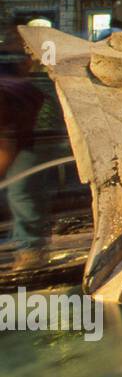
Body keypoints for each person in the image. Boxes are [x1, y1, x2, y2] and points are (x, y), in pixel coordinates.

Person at [0, 58, 51, 263]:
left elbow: (6, 144)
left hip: (31, 139)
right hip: (16, 134)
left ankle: (31, 248)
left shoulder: (10, 95)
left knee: (21, 191)